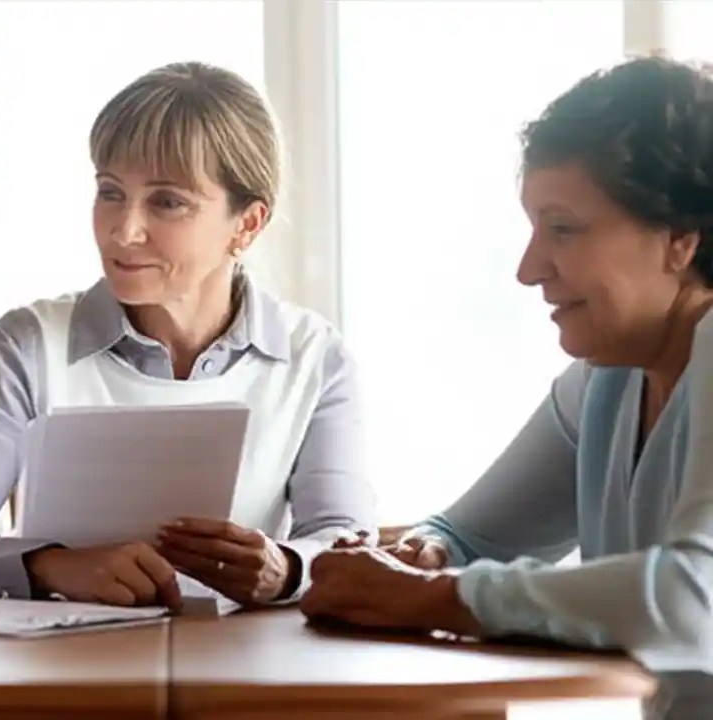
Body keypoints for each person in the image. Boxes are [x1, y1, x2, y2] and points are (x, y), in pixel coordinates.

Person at [300, 56, 713, 720]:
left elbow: (697, 601)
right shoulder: (605, 385)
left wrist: (435, 598)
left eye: (564, 229)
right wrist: (424, 555)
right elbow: (471, 537)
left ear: (679, 239)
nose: (528, 270)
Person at [0, 62, 375, 609]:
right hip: (63, 674)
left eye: (167, 201)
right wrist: (51, 566)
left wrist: (283, 570)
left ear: (248, 223)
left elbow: (347, 546)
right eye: (111, 192)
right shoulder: (26, 345)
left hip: (245, 672)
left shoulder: (316, 359)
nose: (123, 229)